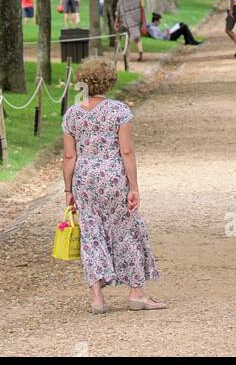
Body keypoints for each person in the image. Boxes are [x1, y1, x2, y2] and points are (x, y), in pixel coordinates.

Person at [62, 59, 165, 314]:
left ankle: (97, 299)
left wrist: (68, 190)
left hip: (84, 179)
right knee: (126, 230)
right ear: (109, 81)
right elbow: (126, 151)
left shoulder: (72, 114)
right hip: (113, 178)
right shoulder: (118, 111)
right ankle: (136, 293)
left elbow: (68, 157)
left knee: (91, 235)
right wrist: (134, 187)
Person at [115, 0, 144, 66]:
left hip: (127, 18)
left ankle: (129, 56)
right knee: (137, 35)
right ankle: (140, 51)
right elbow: (142, 6)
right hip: (137, 17)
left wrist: (117, 21)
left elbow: (118, 9)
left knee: (129, 37)